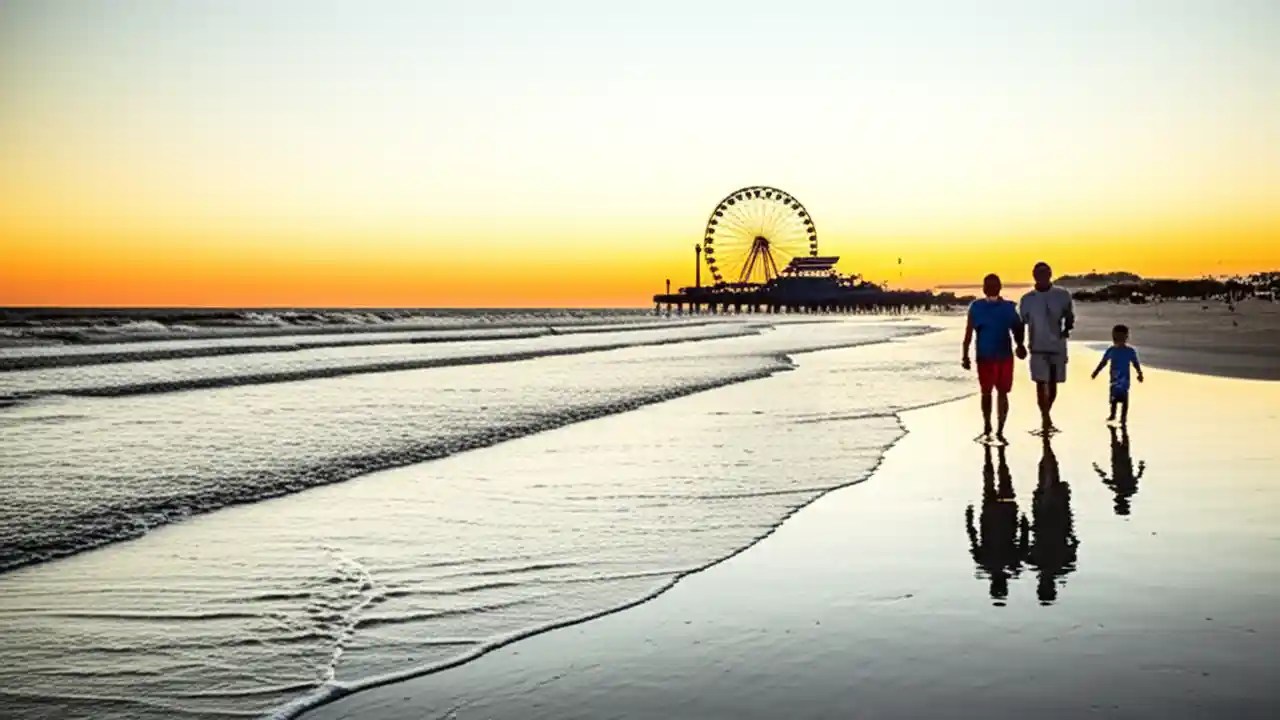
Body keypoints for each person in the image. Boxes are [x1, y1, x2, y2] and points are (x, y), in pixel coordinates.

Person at [962, 273, 1027, 441]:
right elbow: (968, 332)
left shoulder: (1009, 307)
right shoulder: (976, 307)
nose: (990, 288)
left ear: (999, 287)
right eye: (988, 285)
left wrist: (1020, 345)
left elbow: (1018, 328)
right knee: (986, 393)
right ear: (984, 288)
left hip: (1004, 356)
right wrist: (965, 355)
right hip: (984, 357)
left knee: (1003, 393)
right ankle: (987, 425)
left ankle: (1000, 428)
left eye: (994, 285)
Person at [1019, 262, 1075, 434]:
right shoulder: (1027, 299)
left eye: (1044, 273)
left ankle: (1047, 414)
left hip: (1057, 346)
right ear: (1033, 275)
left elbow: (1070, 316)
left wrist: (1066, 329)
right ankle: (1045, 417)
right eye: (1038, 273)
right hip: (1036, 347)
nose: (1041, 276)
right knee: (1040, 383)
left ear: (1050, 274)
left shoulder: (1062, 295)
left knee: (1052, 385)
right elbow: (1021, 323)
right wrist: (1020, 344)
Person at [1090, 324, 1144, 425]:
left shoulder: (1130, 351)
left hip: (1125, 380)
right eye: (1116, 337)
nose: (1118, 339)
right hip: (1114, 380)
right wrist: (1096, 372)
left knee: (1125, 399)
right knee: (1113, 399)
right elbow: (1104, 362)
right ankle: (1113, 414)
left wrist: (1139, 373)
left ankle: (1123, 416)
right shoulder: (1111, 350)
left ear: (1126, 337)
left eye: (1121, 337)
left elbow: (1135, 363)